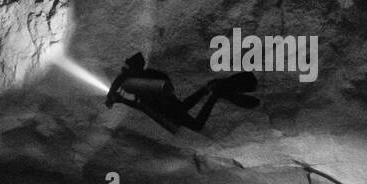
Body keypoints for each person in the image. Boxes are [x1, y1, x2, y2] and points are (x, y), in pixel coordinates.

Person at [105, 52, 259, 133]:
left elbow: (138, 102)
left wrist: (115, 98)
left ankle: (215, 93)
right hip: (168, 102)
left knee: (196, 125)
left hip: (163, 108)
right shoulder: (148, 74)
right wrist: (115, 97)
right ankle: (208, 89)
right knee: (184, 107)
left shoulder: (136, 82)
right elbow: (165, 83)